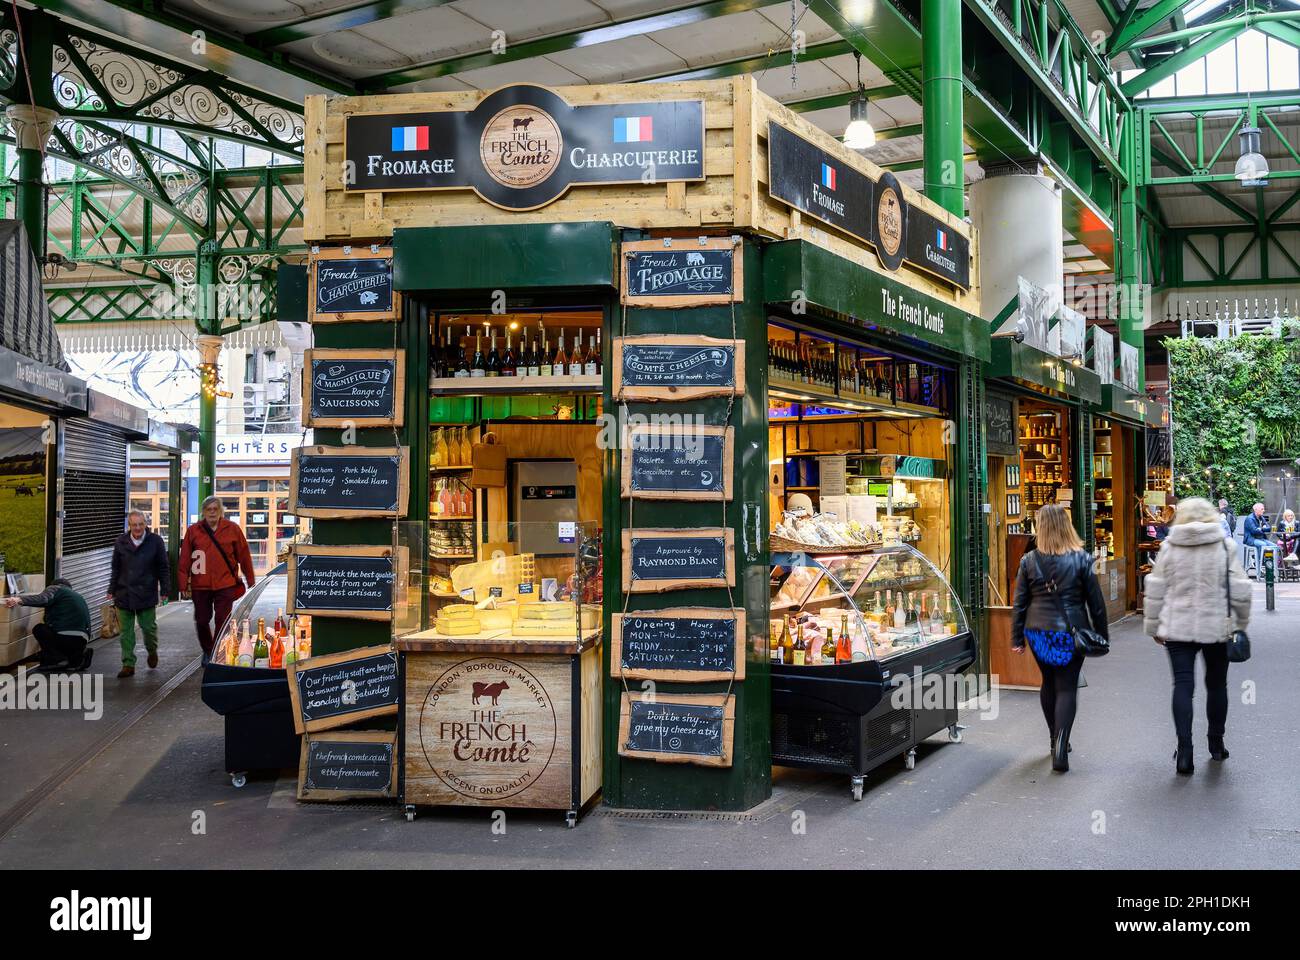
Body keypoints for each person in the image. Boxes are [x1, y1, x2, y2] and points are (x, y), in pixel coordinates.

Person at [1143, 497, 1251, 775]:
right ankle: (1216, 744)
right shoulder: (1225, 547)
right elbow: (1240, 589)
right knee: (1217, 685)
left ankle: (1185, 752)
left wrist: (1153, 624)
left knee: (1182, 685)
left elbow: (1155, 587)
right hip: (1216, 627)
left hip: (1177, 627)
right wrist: (1240, 623)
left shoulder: (1169, 547)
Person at [1011, 503, 1109, 773]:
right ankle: (1062, 745)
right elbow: (1096, 603)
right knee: (1067, 687)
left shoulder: (1028, 561)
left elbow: (1019, 603)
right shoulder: (1081, 558)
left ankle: (1054, 739)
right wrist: (1101, 635)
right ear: (1067, 526)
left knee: (1048, 683)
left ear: (1040, 528)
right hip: (1071, 633)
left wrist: (1017, 638)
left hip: (1038, 633)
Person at [179, 496, 255, 661]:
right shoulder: (194, 531)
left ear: (221, 511)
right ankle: (208, 649)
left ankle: (214, 653)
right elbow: (184, 559)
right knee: (201, 620)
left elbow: (244, 555)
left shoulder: (232, 529)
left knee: (223, 620)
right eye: (208, 509)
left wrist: (251, 579)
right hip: (201, 585)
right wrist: (183, 584)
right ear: (203, 512)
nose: (212, 512)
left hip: (225, 583)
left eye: (215, 509)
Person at [109, 509, 171, 679]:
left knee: (148, 628)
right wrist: (111, 589)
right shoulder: (121, 542)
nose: (137, 528)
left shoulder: (155, 541)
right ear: (129, 525)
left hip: (146, 592)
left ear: (146, 524)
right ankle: (128, 664)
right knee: (126, 633)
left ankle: (152, 651)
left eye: (140, 524)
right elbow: (115, 567)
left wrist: (165, 590)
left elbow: (163, 567)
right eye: (134, 525)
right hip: (124, 593)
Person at [4, 578, 93, 672]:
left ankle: (57, 660)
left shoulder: (56, 589)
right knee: (68, 653)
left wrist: (19, 599)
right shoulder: (76, 596)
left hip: (66, 638)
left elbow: (43, 599)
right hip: (82, 640)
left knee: (40, 629)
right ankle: (78, 656)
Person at [1242, 502, 1274, 576]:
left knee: (1274, 546)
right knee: (1263, 545)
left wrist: (1261, 529)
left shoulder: (1261, 517)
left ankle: (1271, 567)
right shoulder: (1250, 519)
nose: (1264, 510)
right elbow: (1254, 531)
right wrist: (1263, 528)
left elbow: (1269, 528)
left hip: (1261, 538)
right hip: (1251, 539)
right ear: (1256, 510)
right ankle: (1258, 565)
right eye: (1262, 509)